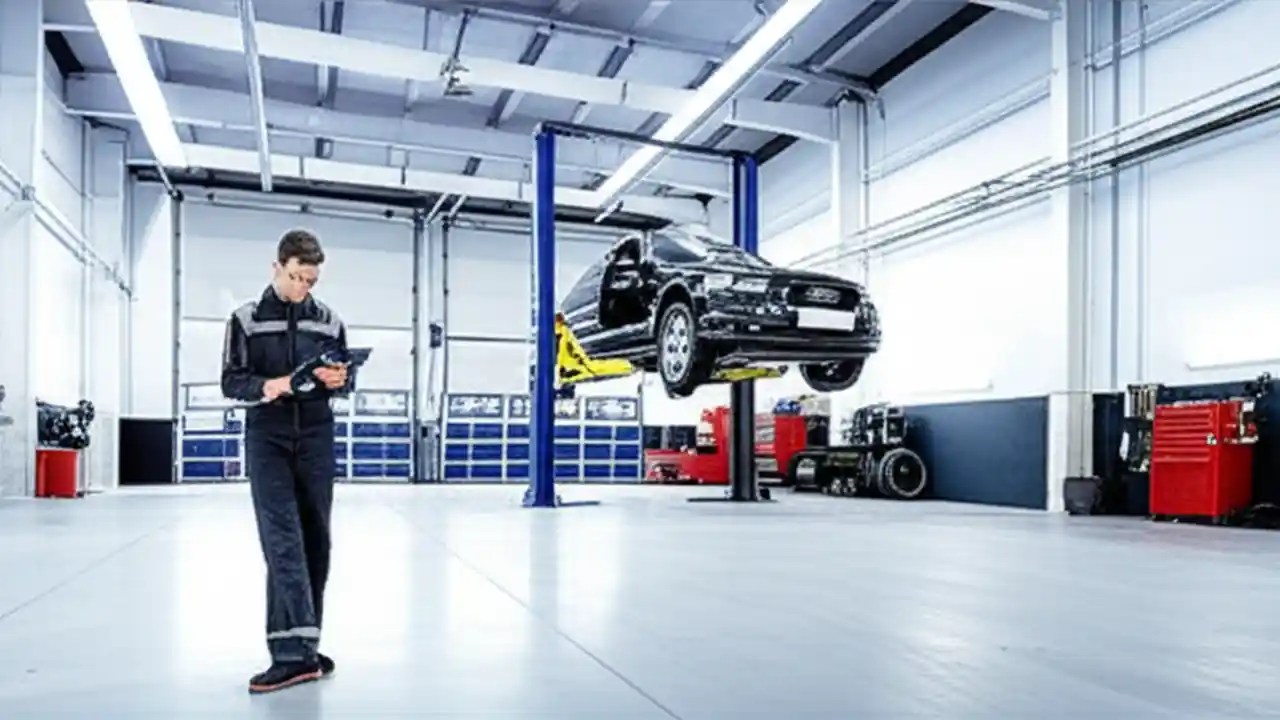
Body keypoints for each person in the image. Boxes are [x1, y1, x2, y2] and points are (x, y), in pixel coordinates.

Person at [220, 229, 351, 694]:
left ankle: (305, 647)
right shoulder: (246, 320)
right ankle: (292, 655)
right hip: (268, 435)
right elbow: (232, 382)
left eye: (311, 280)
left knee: (316, 540)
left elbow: (345, 378)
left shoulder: (329, 321)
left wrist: (340, 379)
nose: (303, 287)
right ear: (277, 267)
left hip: (316, 434)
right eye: (296, 277)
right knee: (282, 541)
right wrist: (272, 386)